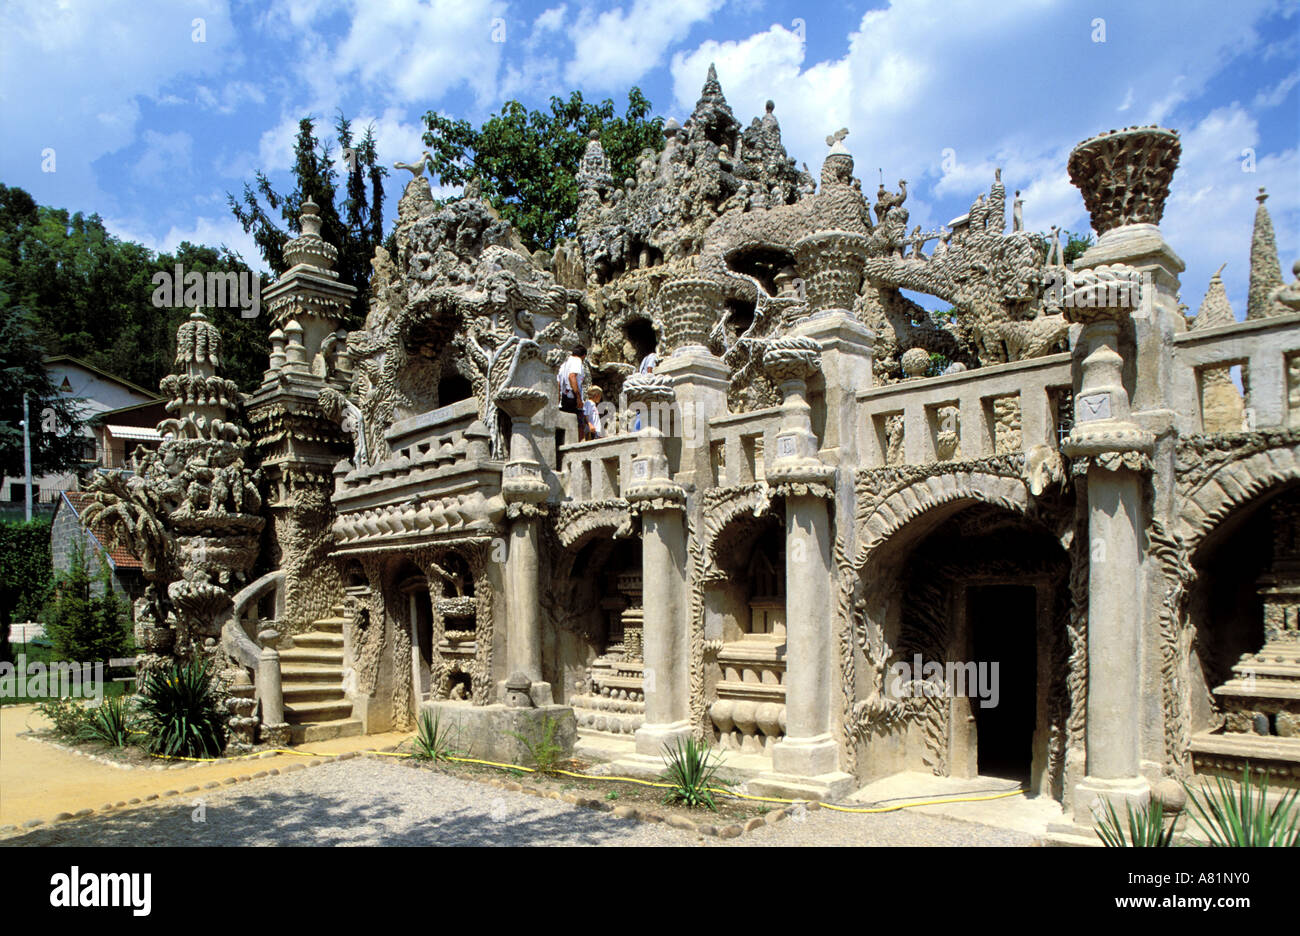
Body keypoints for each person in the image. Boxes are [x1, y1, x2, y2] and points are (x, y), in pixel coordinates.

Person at [558, 345, 587, 439]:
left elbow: (558, 382)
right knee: (579, 425)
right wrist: (578, 397)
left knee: (566, 424)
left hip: (564, 397)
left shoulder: (564, 364)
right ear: (583, 356)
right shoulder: (577, 361)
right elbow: (572, 376)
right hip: (572, 397)